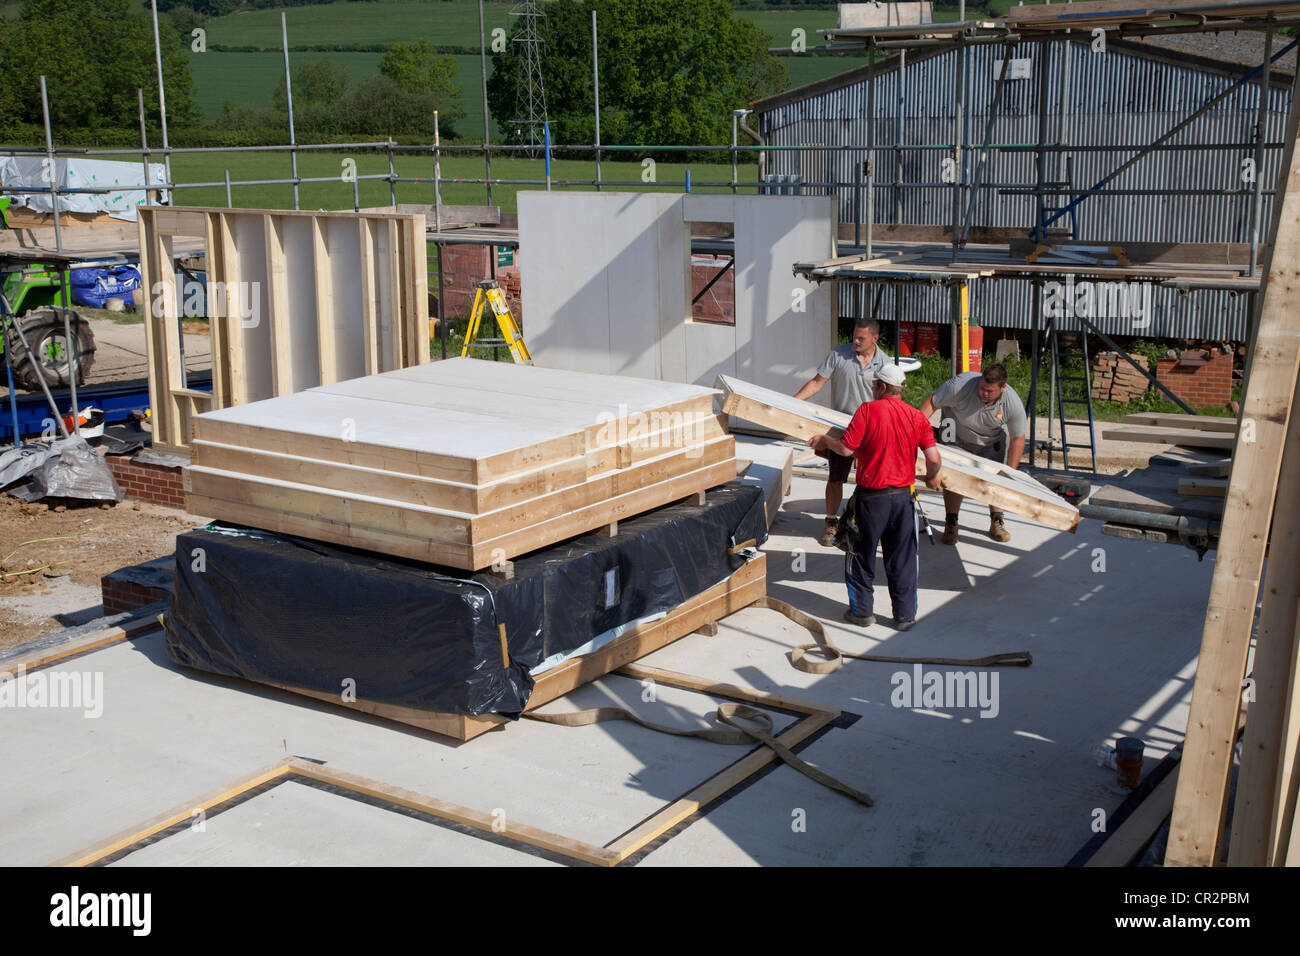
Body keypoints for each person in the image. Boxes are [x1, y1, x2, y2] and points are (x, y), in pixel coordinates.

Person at [808, 364, 944, 631]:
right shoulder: (917, 417)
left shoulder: (868, 411)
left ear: (882, 387)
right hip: (904, 499)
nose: (872, 390)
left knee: (859, 554)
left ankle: (862, 613)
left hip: (871, 499)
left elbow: (846, 449)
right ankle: (904, 617)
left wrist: (825, 440)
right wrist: (931, 476)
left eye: (873, 386)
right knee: (902, 558)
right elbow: (933, 458)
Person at [794, 317, 891, 546]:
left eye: (861, 338)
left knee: (872, 482)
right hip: (841, 428)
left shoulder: (885, 364)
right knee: (836, 477)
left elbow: (890, 398)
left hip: (871, 429)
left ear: (875, 338)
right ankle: (831, 522)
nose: (855, 341)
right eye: (854, 336)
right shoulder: (839, 355)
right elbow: (817, 382)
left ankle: (868, 524)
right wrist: (792, 404)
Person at [919, 364, 1028, 545]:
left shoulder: (1012, 402)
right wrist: (912, 434)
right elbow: (931, 403)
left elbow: (1018, 439)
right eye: (982, 388)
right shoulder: (960, 385)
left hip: (990, 441)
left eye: (990, 391)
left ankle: (997, 521)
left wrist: (1010, 473)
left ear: (1003, 388)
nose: (984, 393)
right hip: (956, 434)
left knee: (998, 477)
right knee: (954, 478)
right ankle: (951, 522)